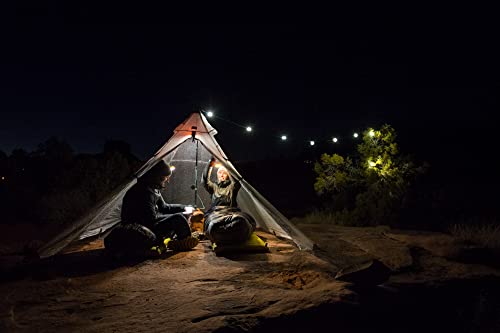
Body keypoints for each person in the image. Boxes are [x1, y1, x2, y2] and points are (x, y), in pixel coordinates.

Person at [105, 160, 198, 257]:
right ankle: (184, 242)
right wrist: (181, 215)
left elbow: (164, 207)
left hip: (150, 223)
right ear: (157, 177)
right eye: (165, 178)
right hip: (141, 229)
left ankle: (180, 241)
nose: (167, 180)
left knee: (179, 217)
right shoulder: (143, 191)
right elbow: (150, 220)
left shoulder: (153, 188)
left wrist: (185, 207)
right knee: (178, 219)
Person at [201, 157, 256, 245]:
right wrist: (210, 165)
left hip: (232, 212)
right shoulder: (213, 187)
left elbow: (236, 180)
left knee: (244, 221)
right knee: (212, 226)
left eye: (224, 173)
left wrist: (227, 165)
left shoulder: (232, 186)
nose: (221, 175)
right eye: (219, 172)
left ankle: (228, 235)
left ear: (228, 174)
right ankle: (230, 235)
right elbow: (204, 181)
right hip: (216, 213)